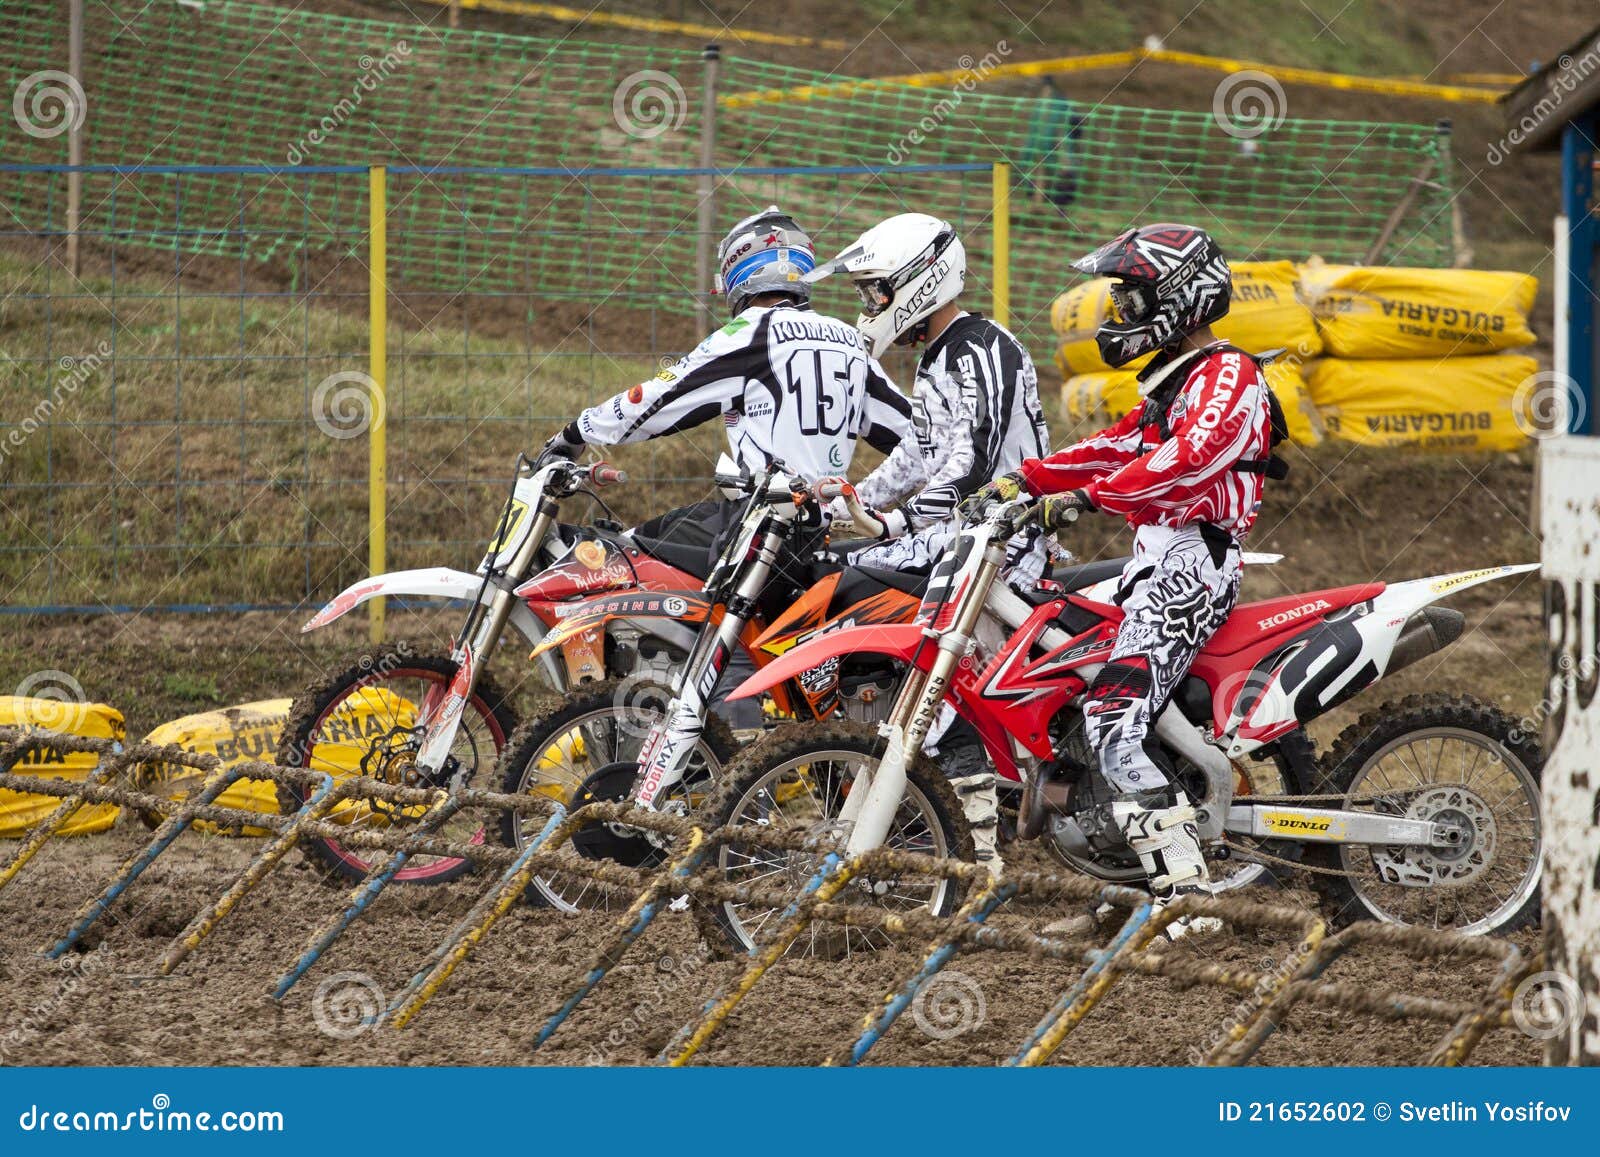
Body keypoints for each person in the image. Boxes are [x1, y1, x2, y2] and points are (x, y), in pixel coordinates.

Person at [969, 223, 1279, 937]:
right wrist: (1023, 479)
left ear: (1177, 297)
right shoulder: (1177, 378)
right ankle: (1129, 887)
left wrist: (1084, 498)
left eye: (1131, 295)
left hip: (1191, 568)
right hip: (1153, 560)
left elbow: (1189, 460)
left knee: (1112, 719)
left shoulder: (1228, 373)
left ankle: (1191, 901)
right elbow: (1116, 445)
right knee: (1077, 697)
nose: (1120, 310)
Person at [539, 206, 913, 725]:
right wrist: (865, 501)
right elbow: (913, 435)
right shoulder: (851, 340)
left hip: (762, 524)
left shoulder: (749, 332)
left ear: (738, 270)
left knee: (717, 634)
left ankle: (732, 770)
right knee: (658, 538)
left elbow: (657, 401)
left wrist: (577, 433)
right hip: (815, 528)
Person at [807, 212, 1052, 873]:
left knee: (844, 584)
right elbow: (920, 453)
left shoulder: (981, 349)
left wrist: (888, 525)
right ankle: (931, 779)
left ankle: (969, 826)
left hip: (1003, 544)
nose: (869, 307)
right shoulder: (939, 356)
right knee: (828, 567)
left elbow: (967, 468)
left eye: (875, 292)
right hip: (960, 542)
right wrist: (848, 497)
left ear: (919, 282)